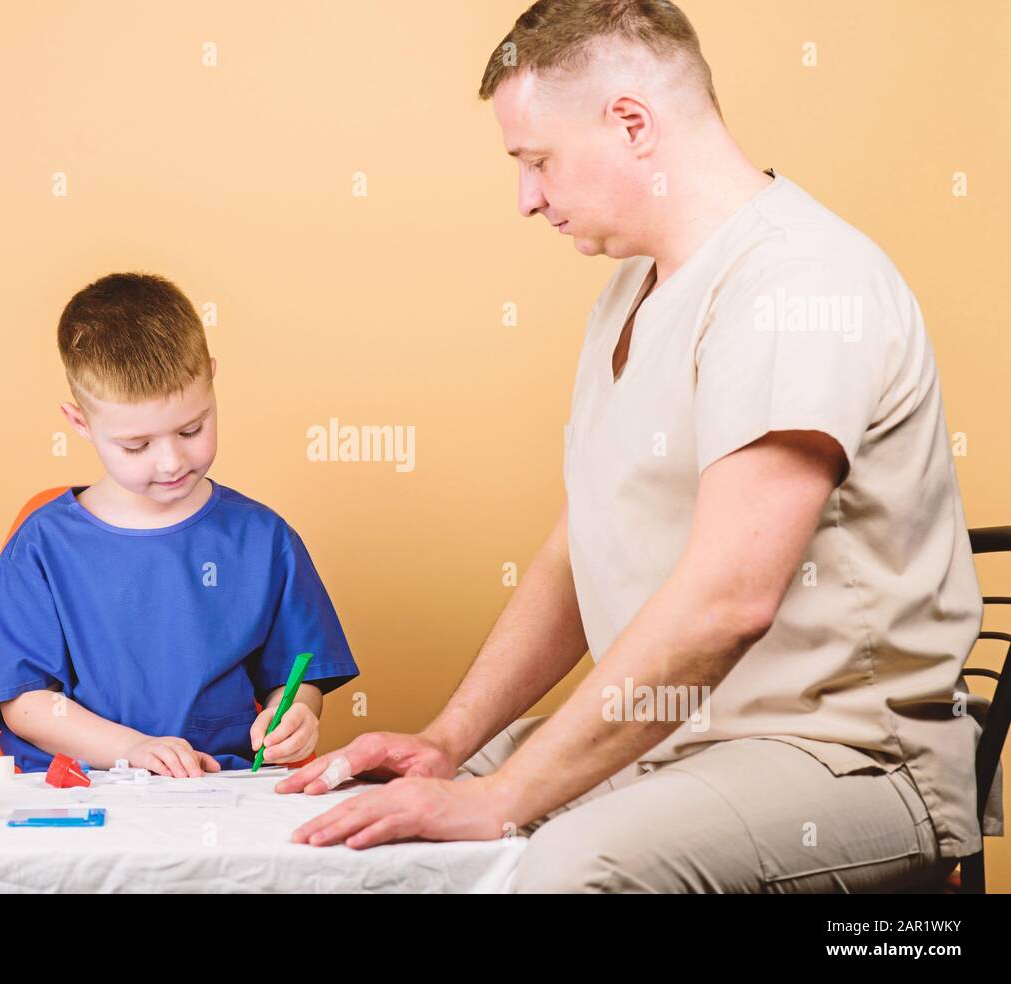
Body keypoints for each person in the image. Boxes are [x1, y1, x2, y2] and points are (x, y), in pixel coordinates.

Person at [277, 0, 994, 892]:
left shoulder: (798, 282)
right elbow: (578, 553)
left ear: (631, 122)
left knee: (564, 870)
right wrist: (448, 742)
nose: (527, 198)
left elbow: (729, 599)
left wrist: (501, 799)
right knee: (401, 829)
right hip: (681, 740)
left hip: (841, 759)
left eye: (537, 161)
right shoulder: (629, 292)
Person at [0, 272, 359, 777]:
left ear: (212, 381)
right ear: (81, 425)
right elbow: (25, 705)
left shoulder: (264, 540)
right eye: (137, 446)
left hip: (224, 792)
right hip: (82, 796)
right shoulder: (43, 549)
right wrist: (133, 749)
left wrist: (297, 716)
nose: (171, 461)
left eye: (192, 429)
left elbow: (296, 679)